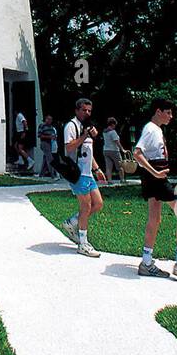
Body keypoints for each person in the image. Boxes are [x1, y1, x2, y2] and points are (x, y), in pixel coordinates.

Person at [132, 98, 177, 282]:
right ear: (158, 111)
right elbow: (137, 153)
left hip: (154, 177)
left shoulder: (155, 129)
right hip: (157, 179)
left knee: (155, 219)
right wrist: (156, 173)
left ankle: (146, 263)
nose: (171, 116)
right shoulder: (151, 129)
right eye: (168, 112)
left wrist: (154, 174)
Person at [60, 97, 106, 257]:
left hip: (88, 173)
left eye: (89, 110)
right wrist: (84, 135)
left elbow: (88, 152)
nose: (87, 113)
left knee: (98, 204)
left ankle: (72, 222)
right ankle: (83, 243)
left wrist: (97, 169)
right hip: (77, 173)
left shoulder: (87, 127)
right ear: (77, 110)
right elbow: (69, 147)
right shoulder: (71, 126)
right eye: (84, 110)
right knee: (85, 207)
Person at [102, 117, 126, 182]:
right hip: (114, 151)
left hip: (106, 150)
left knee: (108, 167)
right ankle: (122, 180)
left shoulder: (104, 132)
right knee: (120, 166)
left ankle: (109, 181)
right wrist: (122, 149)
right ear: (113, 124)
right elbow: (116, 141)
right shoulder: (113, 132)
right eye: (115, 125)